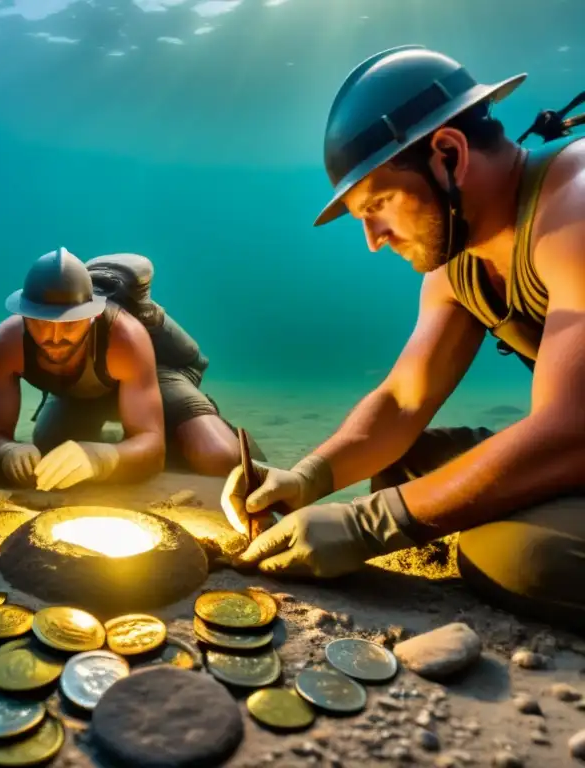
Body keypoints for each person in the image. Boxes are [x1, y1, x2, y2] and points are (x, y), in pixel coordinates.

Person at [222, 45, 585, 630]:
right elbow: (403, 400)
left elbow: (571, 429)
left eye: (379, 203)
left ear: (448, 153)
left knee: (516, 556)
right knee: (405, 465)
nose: (372, 237)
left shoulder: (575, 208)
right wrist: (307, 478)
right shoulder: (460, 259)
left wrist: (372, 524)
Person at [0, 247, 262, 491]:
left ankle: (192, 421)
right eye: (41, 322)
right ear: (25, 315)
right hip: (85, 392)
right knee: (49, 443)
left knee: (218, 456)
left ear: (91, 317)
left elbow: (152, 452)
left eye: (70, 323)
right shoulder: (8, 341)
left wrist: (102, 458)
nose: (54, 338)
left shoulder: (125, 336)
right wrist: (7, 450)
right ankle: (130, 436)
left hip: (159, 375)